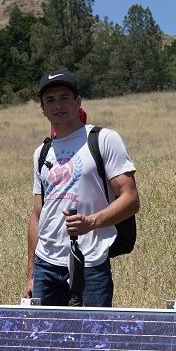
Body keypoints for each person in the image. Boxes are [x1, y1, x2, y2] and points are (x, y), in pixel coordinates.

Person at [27, 69, 139, 306]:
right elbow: (37, 215)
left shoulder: (104, 139)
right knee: (44, 341)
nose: (58, 105)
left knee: (91, 340)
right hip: (46, 266)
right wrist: (31, 273)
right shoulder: (41, 153)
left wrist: (92, 223)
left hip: (91, 263)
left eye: (65, 98)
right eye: (50, 100)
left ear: (78, 102)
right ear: (43, 109)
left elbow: (130, 199)